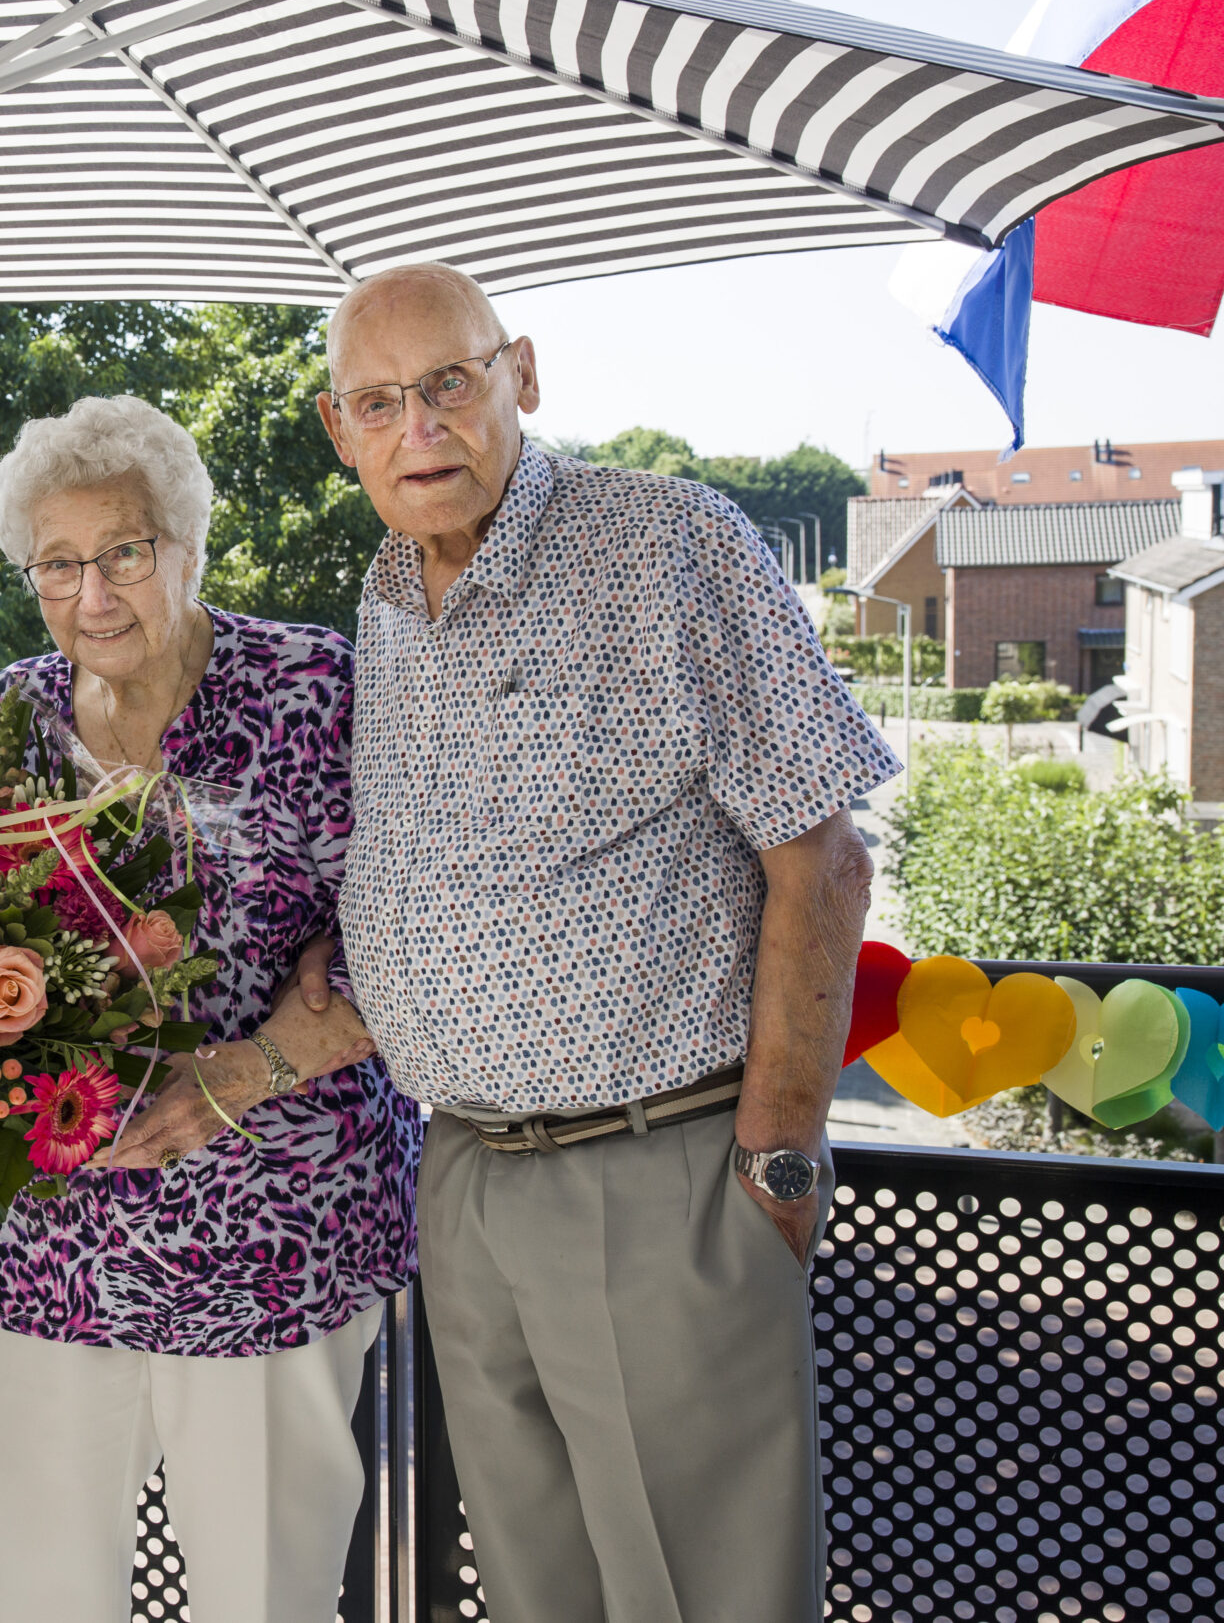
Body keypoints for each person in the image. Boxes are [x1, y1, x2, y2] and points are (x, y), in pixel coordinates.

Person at [318, 263, 894, 1620]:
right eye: (379, 402)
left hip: (660, 1176)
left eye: (449, 382)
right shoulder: (390, 590)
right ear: (339, 431)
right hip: (463, 1174)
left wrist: (780, 1155)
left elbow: (824, 855)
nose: (421, 427)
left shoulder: (668, 542)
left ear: (522, 372)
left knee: (704, 1597)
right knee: (536, 1595)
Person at [0, 394, 419, 1623]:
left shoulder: (315, 688)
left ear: (185, 549)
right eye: (58, 563)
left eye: (122, 553)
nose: (92, 594)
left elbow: (423, 921)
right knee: (49, 1598)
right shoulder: (9, 720)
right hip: (47, 1249)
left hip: (273, 1237)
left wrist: (249, 1067)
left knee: (266, 1597)